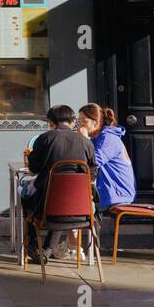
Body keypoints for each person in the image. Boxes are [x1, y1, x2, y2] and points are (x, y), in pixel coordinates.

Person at [23, 105, 96, 264]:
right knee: (64, 202)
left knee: (26, 194)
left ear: (51, 122)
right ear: (73, 121)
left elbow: (33, 169)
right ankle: (47, 250)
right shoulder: (86, 143)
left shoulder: (45, 139)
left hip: (47, 208)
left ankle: (34, 245)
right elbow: (93, 174)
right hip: (82, 211)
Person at [78, 103, 136, 211]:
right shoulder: (97, 139)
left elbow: (93, 162)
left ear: (96, 122)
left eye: (84, 121)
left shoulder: (108, 138)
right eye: (79, 121)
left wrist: (84, 140)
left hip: (117, 193)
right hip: (110, 191)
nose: (80, 125)